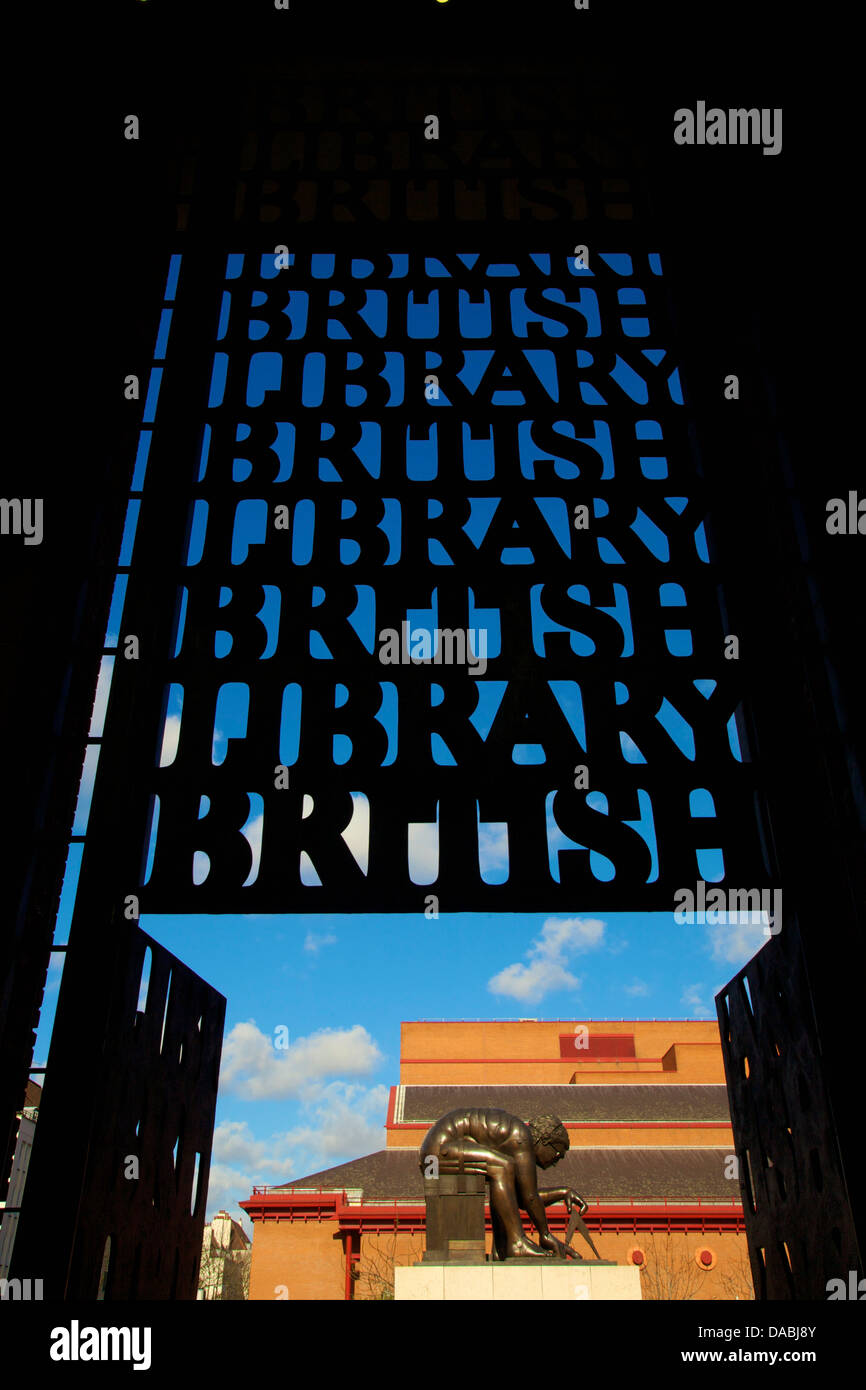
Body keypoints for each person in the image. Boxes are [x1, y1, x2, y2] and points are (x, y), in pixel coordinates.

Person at [419, 1108, 588, 1259]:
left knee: (502, 1172)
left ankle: (501, 1249)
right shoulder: (521, 1137)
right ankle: (517, 1244)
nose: (555, 1161)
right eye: (558, 1154)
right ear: (545, 1141)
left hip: (434, 1154)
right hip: (435, 1153)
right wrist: (545, 1234)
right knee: (502, 1167)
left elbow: (521, 1198)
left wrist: (563, 1193)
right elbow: (529, 1198)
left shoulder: (515, 1136)